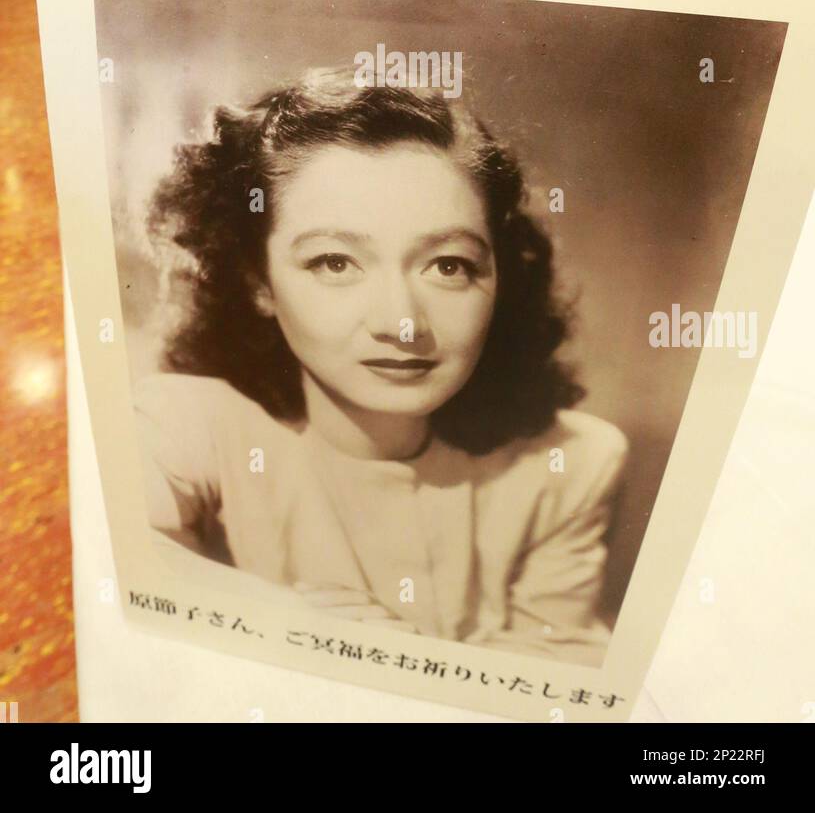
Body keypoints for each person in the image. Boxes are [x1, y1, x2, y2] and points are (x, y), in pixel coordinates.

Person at [134, 68, 629, 664]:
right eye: (335, 262)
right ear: (257, 281)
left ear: (499, 274)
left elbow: (556, 684)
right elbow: (115, 568)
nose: (402, 323)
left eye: (448, 265)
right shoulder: (186, 426)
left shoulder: (571, 466)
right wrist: (293, 623)